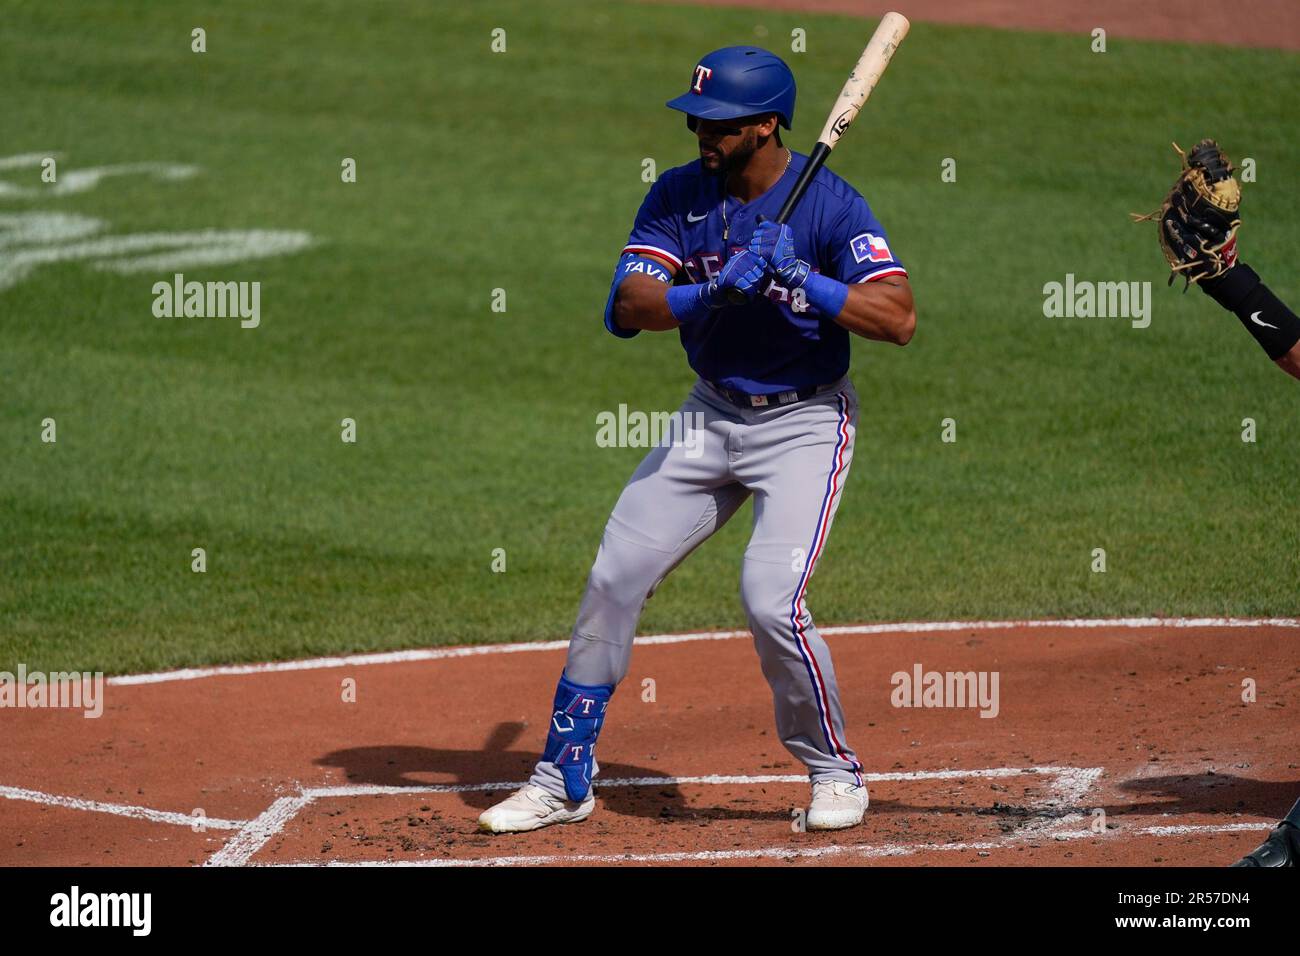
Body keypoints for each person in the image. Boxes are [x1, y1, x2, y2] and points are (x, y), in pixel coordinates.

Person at [478, 45, 916, 833]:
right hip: (711, 414)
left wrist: (804, 280)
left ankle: (834, 771)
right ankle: (563, 775)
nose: (700, 134)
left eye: (718, 124)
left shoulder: (832, 207)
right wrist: (706, 291)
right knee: (614, 576)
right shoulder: (680, 193)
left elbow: (899, 319)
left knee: (771, 600)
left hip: (805, 423)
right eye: (695, 119)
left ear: (767, 127)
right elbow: (628, 304)